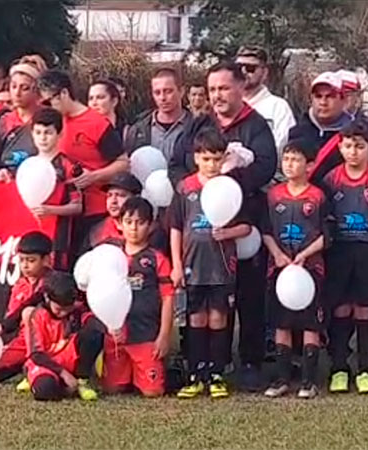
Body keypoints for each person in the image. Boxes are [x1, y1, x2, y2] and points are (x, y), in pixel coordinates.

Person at [169, 61, 276, 392]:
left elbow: (265, 167)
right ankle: (211, 364)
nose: (216, 95)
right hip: (200, 232)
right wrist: (194, 188)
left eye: (224, 88)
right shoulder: (200, 124)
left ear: (241, 88)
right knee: (206, 297)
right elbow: (177, 164)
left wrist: (227, 183)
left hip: (243, 226)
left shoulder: (256, 125)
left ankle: (250, 361)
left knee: (249, 295)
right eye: (212, 89)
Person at [170, 129, 251, 399]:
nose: (212, 165)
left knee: (218, 318)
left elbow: (247, 227)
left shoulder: (231, 188)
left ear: (224, 159)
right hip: (193, 266)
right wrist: (177, 265)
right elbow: (175, 228)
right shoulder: (184, 188)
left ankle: (217, 374)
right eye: (206, 159)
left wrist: (227, 233)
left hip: (222, 267)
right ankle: (196, 374)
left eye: (217, 159)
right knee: (195, 318)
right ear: (196, 159)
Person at [37, 69, 127, 265]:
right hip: (59, 210)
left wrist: (94, 176)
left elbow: (123, 163)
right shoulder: (53, 122)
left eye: (49, 101)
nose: (47, 107)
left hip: (94, 211)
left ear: (64, 94)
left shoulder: (96, 123)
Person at [261, 139, 326, 399]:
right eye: (286, 158)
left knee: (311, 323)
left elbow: (326, 235)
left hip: (311, 270)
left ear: (309, 165)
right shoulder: (273, 195)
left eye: (296, 159)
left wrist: (304, 255)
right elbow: (265, 230)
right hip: (279, 271)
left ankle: (309, 381)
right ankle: (281, 379)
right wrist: (277, 254)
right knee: (281, 323)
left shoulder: (318, 196)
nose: (290, 164)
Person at [321, 120, 368, 395]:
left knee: (365, 308)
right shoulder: (331, 179)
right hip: (340, 249)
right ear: (340, 147)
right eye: (348, 146)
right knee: (341, 307)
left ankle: (365, 369)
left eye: (360, 146)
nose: (353, 152)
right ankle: (339, 367)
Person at [100, 197, 174, 397]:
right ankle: (125, 373)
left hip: (146, 334)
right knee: (113, 390)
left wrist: (164, 335)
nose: (134, 228)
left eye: (140, 223)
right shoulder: (109, 256)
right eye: (129, 222)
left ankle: (155, 371)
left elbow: (168, 298)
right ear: (119, 224)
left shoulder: (157, 259)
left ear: (150, 226)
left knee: (153, 392)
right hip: (116, 336)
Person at [0, 108, 82, 270]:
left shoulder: (69, 167)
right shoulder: (27, 165)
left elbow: (78, 206)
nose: (43, 138)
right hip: (26, 232)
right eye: (38, 132)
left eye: (48, 133)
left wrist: (50, 210)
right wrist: (3, 175)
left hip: (58, 237)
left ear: (59, 134)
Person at [0, 231, 52, 390]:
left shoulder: (54, 282)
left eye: (31, 260)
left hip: (49, 343)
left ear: (46, 260)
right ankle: (23, 365)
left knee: (28, 312)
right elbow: (12, 319)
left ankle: (35, 367)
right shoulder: (19, 286)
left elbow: (32, 302)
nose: (25, 265)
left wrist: (2, 326)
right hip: (22, 343)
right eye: (22, 260)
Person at [25, 271, 104, 401]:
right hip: (46, 364)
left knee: (94, 332)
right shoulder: (36, 316)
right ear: (47, 298)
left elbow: (92, 324)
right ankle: (65, 388)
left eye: (67, 309)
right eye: (58, 309)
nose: (63, 313)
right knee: (45, 389)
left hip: (70, 358)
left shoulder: (77, 309)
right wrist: (63, 373)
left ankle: (82, 381)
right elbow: (36, 355)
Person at [289, 71, 351, 186]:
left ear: (343, 100)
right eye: (318, 96)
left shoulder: (356, 136)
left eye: (330, 96)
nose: (323, 102)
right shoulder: (296, 131)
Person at [235, 46, 296, 162]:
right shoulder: (226, 106)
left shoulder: (279, 107)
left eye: (250, 68)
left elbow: (284, 147)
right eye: (238, 68)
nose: (243, 72)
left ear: (264, 73)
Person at [124, 67, 193, 162]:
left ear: (181, 91)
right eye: (157, 93)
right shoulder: (137, 131)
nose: (162, 97)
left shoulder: (197, 127)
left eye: (168, 91)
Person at [0, 57, 44, 176]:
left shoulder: (49, 118)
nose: (17, 93)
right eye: (14, 86)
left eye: (24, 88)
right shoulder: (3, 121)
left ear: (36, 90)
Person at [85, 172, 142, 249]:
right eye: (109, 195)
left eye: (121, 195)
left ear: (136, 198)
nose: (113, 201)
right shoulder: (97, 230)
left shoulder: (148, 231)